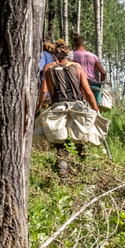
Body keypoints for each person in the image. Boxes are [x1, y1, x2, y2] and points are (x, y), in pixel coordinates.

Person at [36, 39, 101, 178]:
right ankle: (82, 174)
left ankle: (63, 175)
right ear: (69, 55)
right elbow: (87, 91)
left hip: (58, 108)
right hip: (77, 108)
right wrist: (95, 109)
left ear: (55, 56)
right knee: (80, 141)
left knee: (60, 144)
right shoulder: (77, 67)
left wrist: (39, 107)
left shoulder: (48, 68)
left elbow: (43, 91)